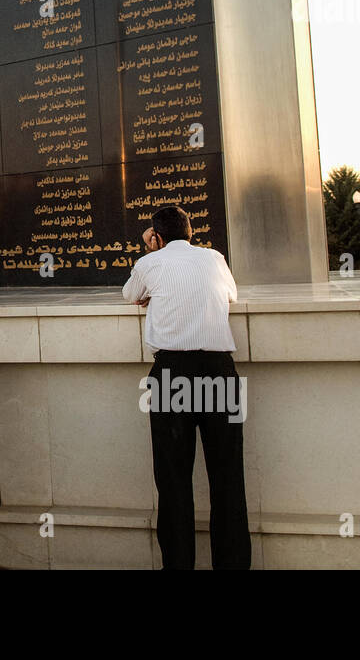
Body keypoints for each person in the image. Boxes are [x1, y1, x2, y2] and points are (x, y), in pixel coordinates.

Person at [121, 205, 250, 570]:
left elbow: (130, 295)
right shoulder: (215, 259)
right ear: (190, 232)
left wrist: (151, 254)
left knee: (174, 480)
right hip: (220, 371)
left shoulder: (151, 262)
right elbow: (230, 296)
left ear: (157, 238)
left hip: (173, 373)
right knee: (228, 476)